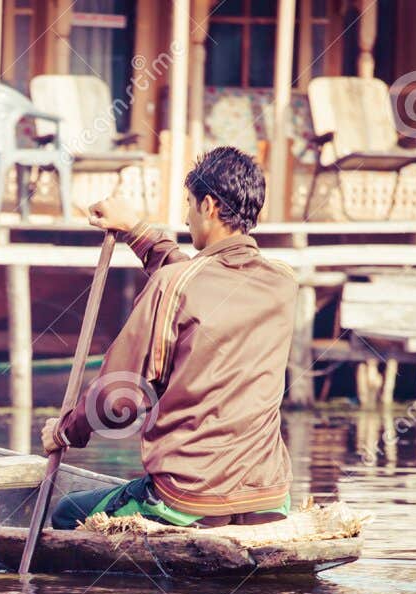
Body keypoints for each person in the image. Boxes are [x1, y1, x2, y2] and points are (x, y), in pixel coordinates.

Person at [43, 146, 298, 530]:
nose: (186, 216)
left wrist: (65, 431)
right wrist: (137, 231)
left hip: (188, 497)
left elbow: (118, 396)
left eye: (190, 205)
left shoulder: (176, 285)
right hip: (270, 497)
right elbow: (203, 285)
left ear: (209, 206)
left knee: (66, 513)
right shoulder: (282, 282)